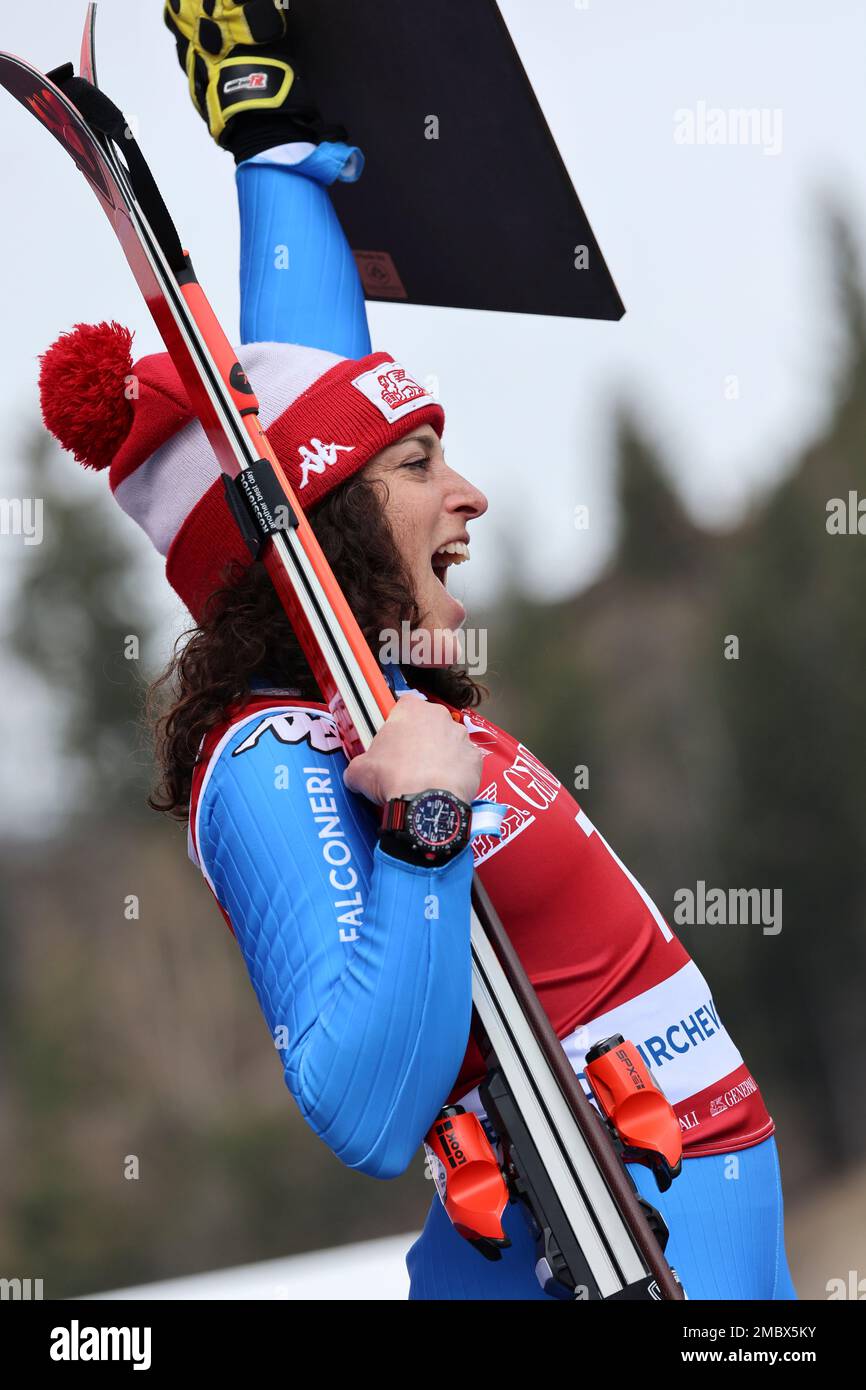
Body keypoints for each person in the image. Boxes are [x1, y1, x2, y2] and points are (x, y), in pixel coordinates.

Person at [38, 1, 798, 1300]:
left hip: (697, 1235)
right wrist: (429, 820)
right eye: (419, 464)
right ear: (333, 522)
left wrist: (268, 140)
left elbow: (310, 380)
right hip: (585, 1259)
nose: (471, 496)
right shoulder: (273, 758)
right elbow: (361, 1102)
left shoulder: (368, 693)